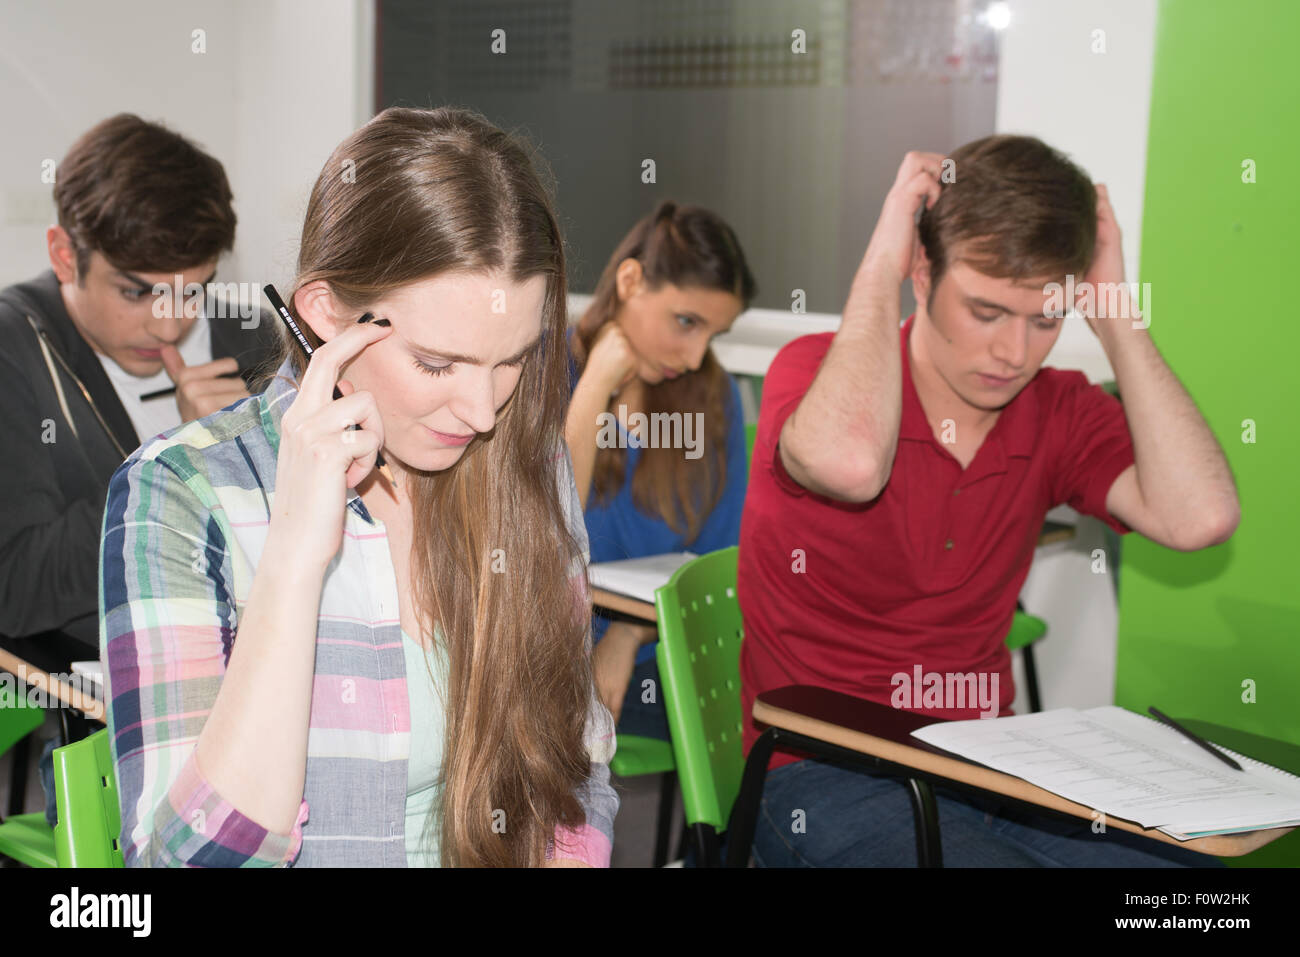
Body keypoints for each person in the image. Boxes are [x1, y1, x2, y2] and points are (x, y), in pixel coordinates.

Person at [99, 106, 617, 867]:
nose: (481, 411)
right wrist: (293, 564)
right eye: (437, 364)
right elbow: (188, 861)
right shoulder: (180, 494)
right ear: (322, 316)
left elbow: (579, 768)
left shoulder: (526, 463)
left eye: (511, 359)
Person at [739, 136, 1242, 867]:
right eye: (986, 311)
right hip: (821, 772)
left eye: (1046, 320)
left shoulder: (1057, 409)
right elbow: (850, 465)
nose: (1015, 351)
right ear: (921, 272)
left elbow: (1200, 517)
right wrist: (883, 254)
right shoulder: (814, 376)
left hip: (989, 765)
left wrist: (1114, 310)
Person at [0, 113, 277, 828]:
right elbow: (18, 586)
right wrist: (176, 459)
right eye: (138, 292)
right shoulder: (12, 349)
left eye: (193, 290)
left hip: (268, 674)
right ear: (65, 255)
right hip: (118, 713)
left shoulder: (244, 332)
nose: (169, 323)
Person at [565, 201, 755, 740]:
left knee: (759, 719)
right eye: (686, 322)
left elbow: (719, 562)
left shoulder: (711, 395)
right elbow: (546, 531)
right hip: (546, 657)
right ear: (630, 280)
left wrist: (627, 634)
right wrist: (597, 383)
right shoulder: (543, 368)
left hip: (663, 658)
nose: (695, 356)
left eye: (712, 335)